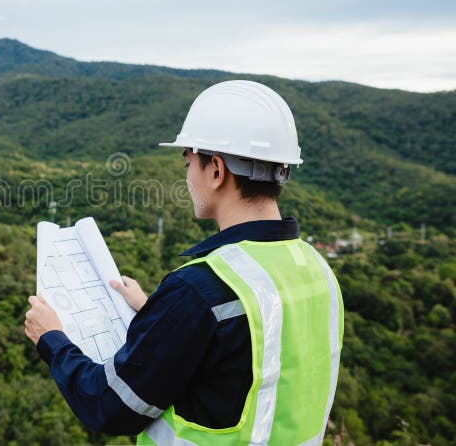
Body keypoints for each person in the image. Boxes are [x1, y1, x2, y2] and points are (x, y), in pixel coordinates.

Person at [25, 80, 344, 445]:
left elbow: (108, 405)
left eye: (189, 160)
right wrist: (160, 315)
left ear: (216, 170)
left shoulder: (199, 290)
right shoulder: (316, 269)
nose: (187, 174)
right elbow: (252, 359)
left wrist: (51, 339)